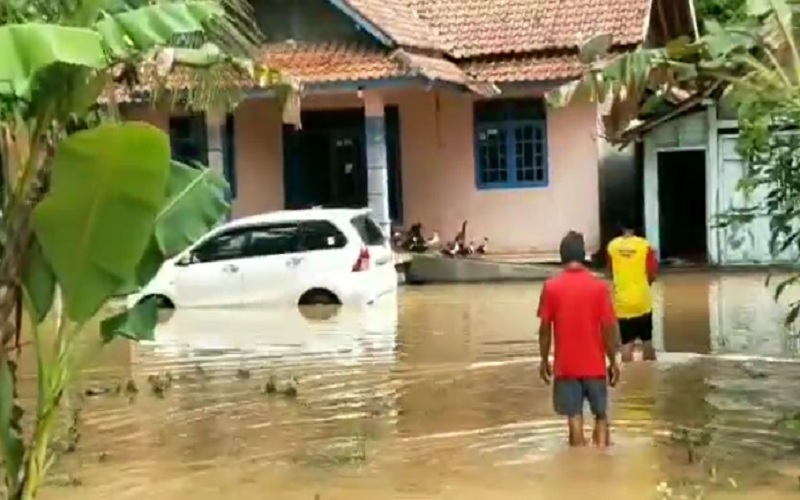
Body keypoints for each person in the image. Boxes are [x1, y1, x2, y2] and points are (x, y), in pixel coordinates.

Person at [538, 231, 620, 447]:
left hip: (566, 367)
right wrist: (613, 360)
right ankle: (602, 462)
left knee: (574, 417)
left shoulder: (551, 287)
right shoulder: (599, 287)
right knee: (601, 416)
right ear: (583, 255)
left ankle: (578, 467)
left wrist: (544, 359)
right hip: (595, 366)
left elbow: (545, 329)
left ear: (562, 255)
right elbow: (609, 328)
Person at [606, 217, 658, 362]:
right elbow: (652, 273)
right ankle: (650, 372)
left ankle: (628, 376)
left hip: (622, 303)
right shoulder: (645, 246)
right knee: (647, 340)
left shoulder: (612, 246)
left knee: (626, 343)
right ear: (636, 229)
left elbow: (610, 272)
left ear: (621, 227)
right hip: (643, 301)